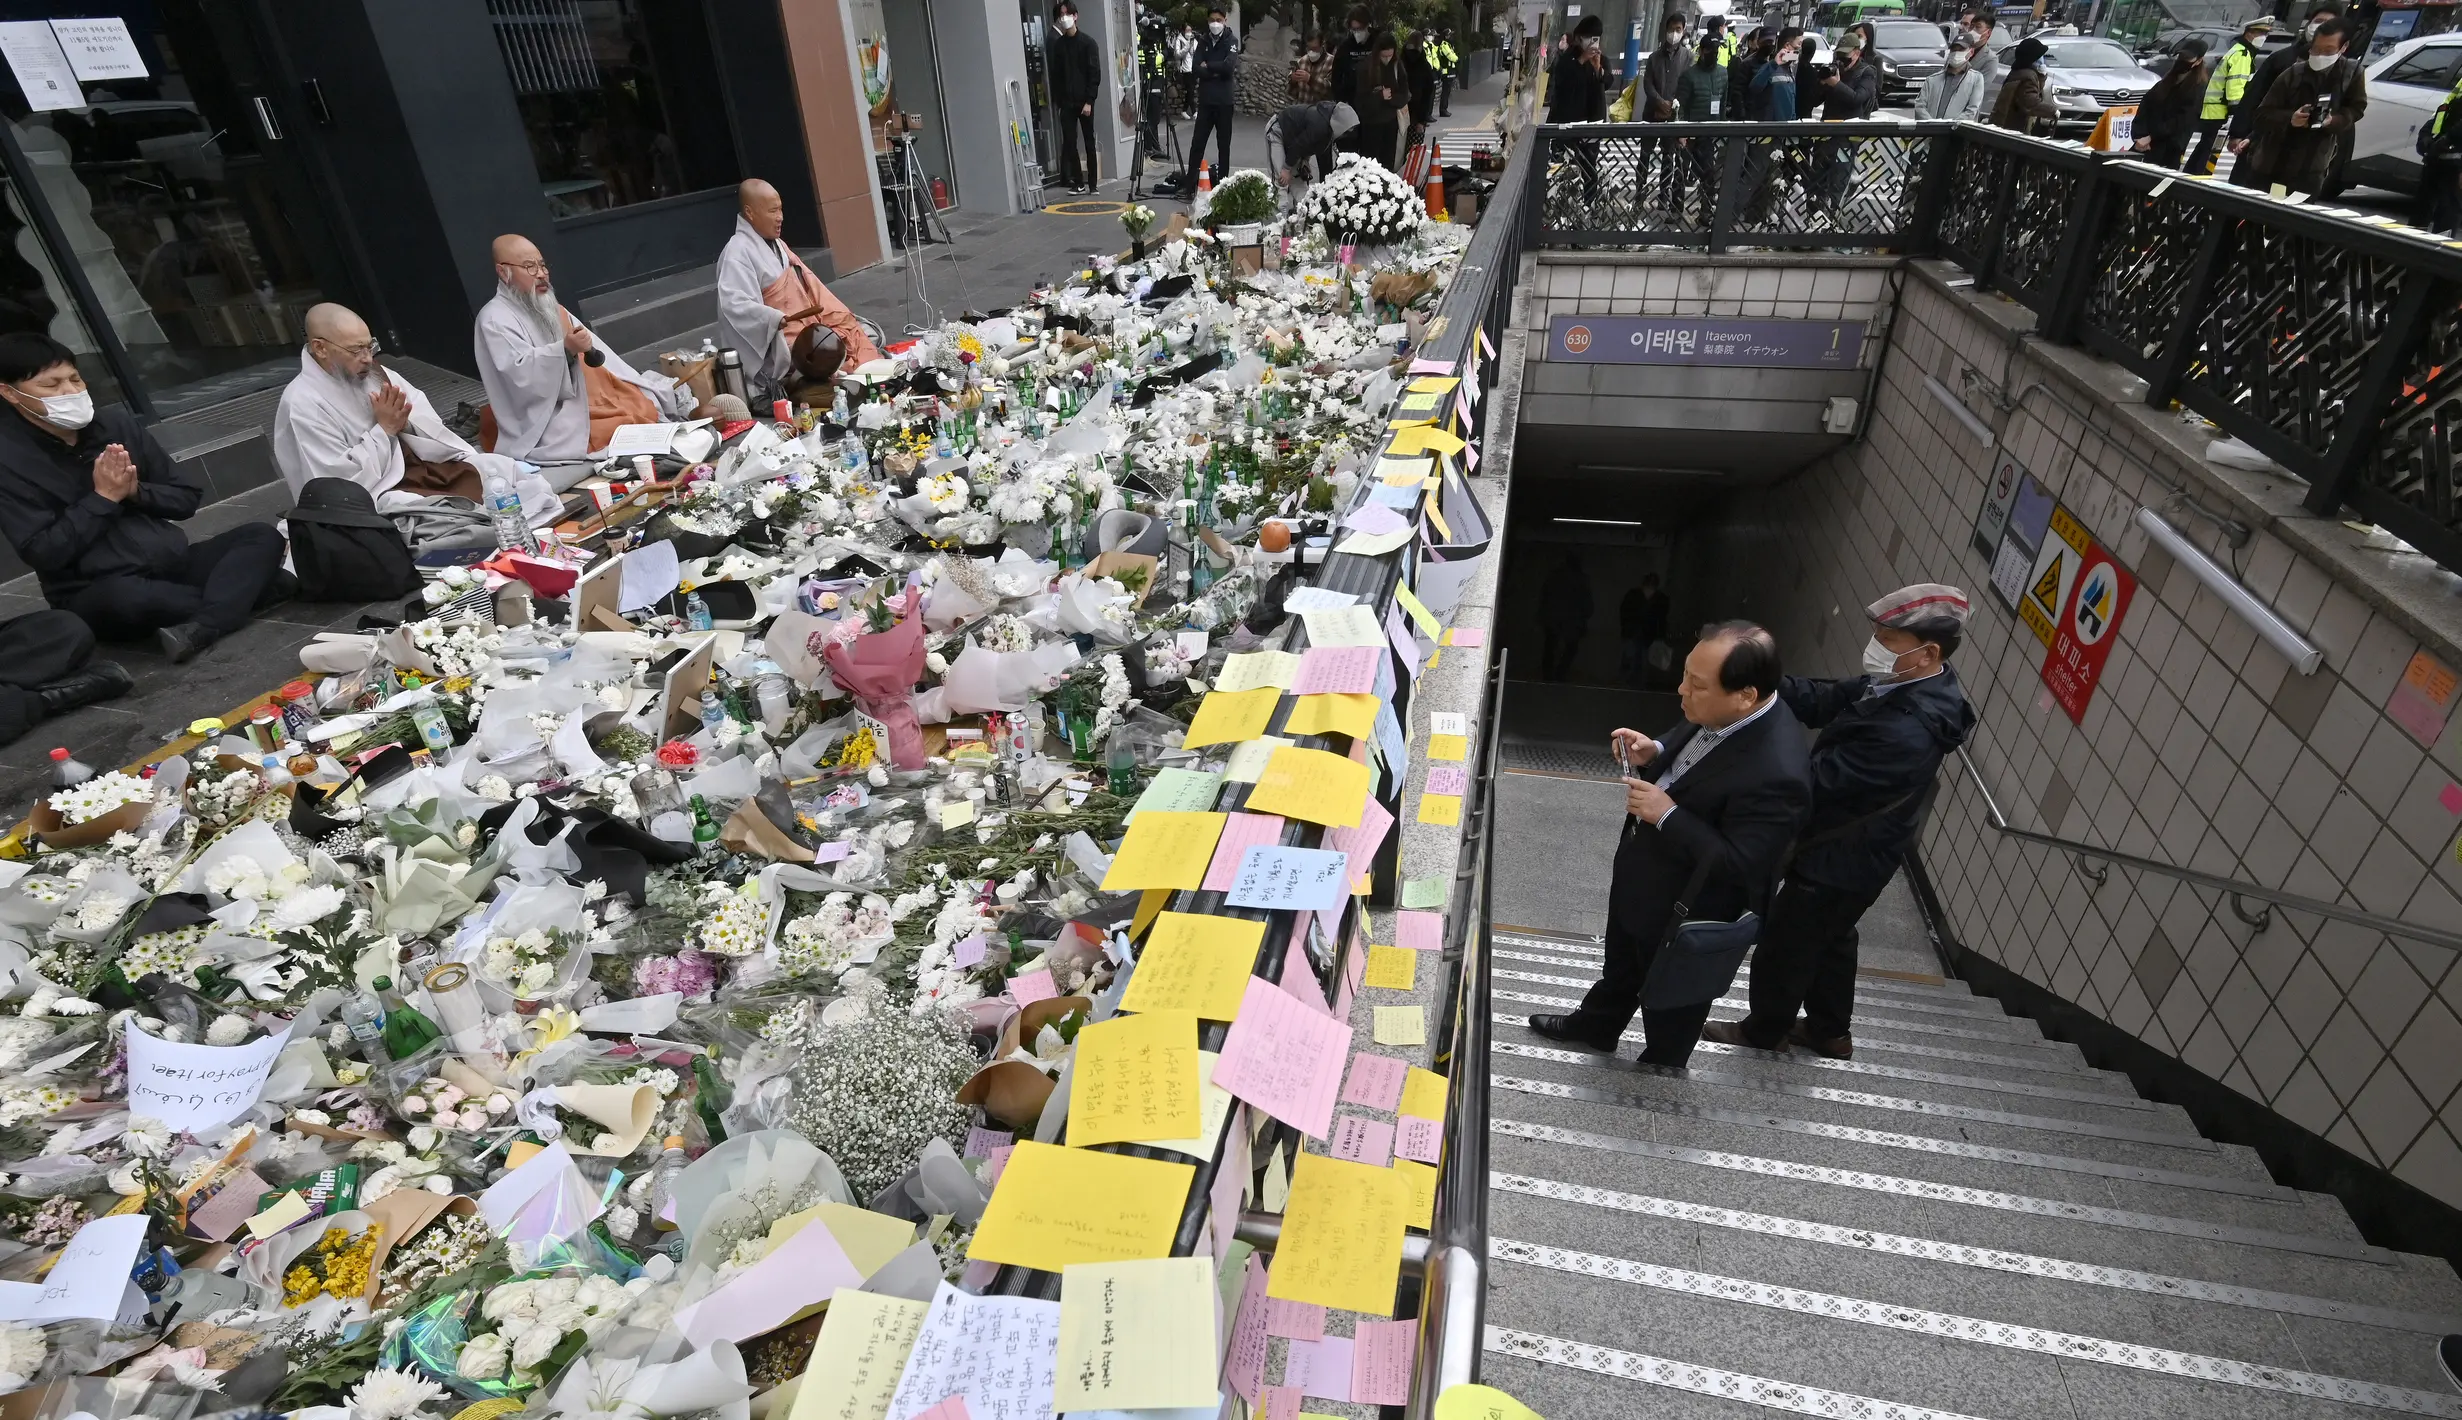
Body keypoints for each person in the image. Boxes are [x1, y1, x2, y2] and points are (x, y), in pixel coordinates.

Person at [1703, 586, 1976, 1060]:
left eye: (1887, 638)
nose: (1874, 645)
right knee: (1831, 934)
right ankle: (1830, 1032)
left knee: (1789, 940)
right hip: (1858, 848)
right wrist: (1762, 678)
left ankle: (1764, 1031)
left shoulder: (1908, 730)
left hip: (1844, 857)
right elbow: (1825, 699)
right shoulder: (1903, 683)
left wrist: (1743, 752)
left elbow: (1814, 783)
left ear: (1928, 651)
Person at [1527, 623, 1814, 1066]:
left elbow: (1743, 865)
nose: (1681, 690)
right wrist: (1656, 750)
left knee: (1673, 1003)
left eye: (1697, 685)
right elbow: (1698, 741)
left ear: (1746, 695)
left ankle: (1662, 1066)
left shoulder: (1779, 771)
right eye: (1685, 675)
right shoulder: (1722, 710)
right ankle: (1597, 1026)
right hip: (1645, 874)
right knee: (1621, 964)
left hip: (1691, 906)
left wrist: (1668, 815)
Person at [0, 333, 290, 663]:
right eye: (51, 386)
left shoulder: (115, 425)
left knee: (260, 535)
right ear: (10, 392)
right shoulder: (9, 460)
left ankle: (208, 622)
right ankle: (242, 595)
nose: (70, 392)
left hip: (172, 565)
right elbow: (44, 551)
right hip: (99, 589)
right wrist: (104, 498)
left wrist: (136, 491)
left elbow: (186, 498)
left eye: (75, 379)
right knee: (133, 598)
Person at [280, 304, 557, 534]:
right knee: (418, 513)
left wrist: (404, 422)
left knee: (497, 468)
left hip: (420, 466)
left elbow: (427, 421)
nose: (367, 359)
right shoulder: (304, 404)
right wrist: (384, 430)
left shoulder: (377, 374)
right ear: (320, 348)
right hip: (378, 490)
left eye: (370, 347)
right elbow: (337, 485)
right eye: (356, 351)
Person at [474, 236, 697, 466]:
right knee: (610, 428)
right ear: (503, 272)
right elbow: (518, 378)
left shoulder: (550, 306)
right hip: (546, 413)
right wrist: (564, 349)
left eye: (542, 265)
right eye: (529, 267)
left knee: (640, 404)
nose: (541, 274)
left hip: (584, 395)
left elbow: (600, 359)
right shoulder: (494, 319)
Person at [716, 179, 883, 410]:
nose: (780, 217)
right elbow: (734, 305)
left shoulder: (779, 245)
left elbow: (808, 286)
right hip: (783, 343)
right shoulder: (737, 252)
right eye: (773, 211)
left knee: (863, 331)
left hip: (807, 330)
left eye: (781, 209)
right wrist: (772, 318)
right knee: (827, 355)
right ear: (749, 212)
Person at [2243, 18, 2365, 196]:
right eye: (2316, 49)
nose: (2320, 55)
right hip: (2272, 163)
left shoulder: (2351, 74)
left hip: (2311, 168)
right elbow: (2261, 115)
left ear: (2343, 47)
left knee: (2293, 220)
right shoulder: (2293, 73)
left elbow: (2356, 109)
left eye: (2328, 50)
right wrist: (2290, 118)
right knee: (2259, 216)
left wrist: (2332, 120)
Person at [2187, 17, 2270, 175]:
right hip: (2221, 110)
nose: (2263, 37)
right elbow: (2235, 87)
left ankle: (2191, 176)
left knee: (2205, 147)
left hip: (2215, 108)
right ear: (2248, 34)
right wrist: (2235, 114)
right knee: (2209, 150)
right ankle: (2197, 181)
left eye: (2265, 33)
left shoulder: (2239, 51)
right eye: (2259, 32)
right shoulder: (2242, 55)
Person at [1049, 3, 1104, 194]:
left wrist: (1089, 100)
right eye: (1061, 15)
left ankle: (1093, 184)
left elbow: (1094, 73)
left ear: (1075, 16)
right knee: (1070, 142)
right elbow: (1056, 75)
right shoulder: (1059, 45)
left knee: (1089, 141)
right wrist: (1059, 101)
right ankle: (1078, 182)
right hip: (1067, 102)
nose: (1064, 18)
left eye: (1067, 14)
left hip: (1084, 101)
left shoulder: (1088, 43)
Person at [2131, 38, 2207, 169]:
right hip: (2145, 143)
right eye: (2181, 56)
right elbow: (2146, 104)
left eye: (2187, 58)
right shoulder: (2167, 80)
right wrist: (2140, 135)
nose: (2182, 61)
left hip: (2168, 148)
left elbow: (2183, 119)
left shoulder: (2197, 87)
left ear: (2198, 61)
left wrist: (2152, 136)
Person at [1188, 6, 1238, 182]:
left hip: (1224, 102)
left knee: (1223, 146)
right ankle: (1190, 183)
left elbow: (1229, 67)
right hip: (1206, 101)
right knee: (1197, 144)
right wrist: (1216, 69)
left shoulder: (1231, 41)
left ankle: (1223, 184)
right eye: (1211, 20)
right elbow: (1195, 67)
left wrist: (1208, 65)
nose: (1214, 23)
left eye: (1218, 20)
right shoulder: (1203, 41)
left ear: (1225, 20)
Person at [1351, 31, 1414, 170]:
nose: (1387, 59)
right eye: (1383, 56)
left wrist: (1391, 99)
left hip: (1391, 123)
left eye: (1390, 55)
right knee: (1370, 167)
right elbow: (1360, 102)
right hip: (1370, 124)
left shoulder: (1397, 66)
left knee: (1388, 165)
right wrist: (1380, 96)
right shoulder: (1365, 68)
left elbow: (1404, 94)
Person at [1274, 99, 1360, 187]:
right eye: (1346, 130)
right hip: (1279, 131)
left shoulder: (1329, 129)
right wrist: (1286, 168)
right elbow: (1299, 144)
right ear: (1340, 124)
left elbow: (1324, 161)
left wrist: (1325, 186)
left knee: (1299, 186)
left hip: (1293, 143)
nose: (1345, 134)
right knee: (1281, 180)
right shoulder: (1320, 126)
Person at [1540, 553, 1592, 682]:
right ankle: (1559, 674)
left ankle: (1548, 676)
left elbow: (1545, 596)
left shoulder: (1554, 577)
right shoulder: (1580, 579)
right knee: (1570, 648)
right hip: (1572, 620)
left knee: (1551, 647)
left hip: (1554, 618)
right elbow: (1586, 602)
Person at [1990, 36, 2058, 134]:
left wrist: (2041, 76)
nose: (2042, 59)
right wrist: (2053, 111)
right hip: (2013, 127)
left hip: (2004, 122)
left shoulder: (2019, 72)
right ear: (2033, 57)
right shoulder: (2028, 76)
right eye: (2040, 56)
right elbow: (2031, 103)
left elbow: (2034, 91)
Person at [1619, 572, 1671, 686]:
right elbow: (1625, 613)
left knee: (1643, 662)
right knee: (1631, 659)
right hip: (1634, 633)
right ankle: (1629, 684)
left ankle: (1637, 685)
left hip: (1647, 634)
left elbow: (1661, 618)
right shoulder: (1635, 595)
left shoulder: (1659, 598)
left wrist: (1660, 635)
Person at [1917, 37, 1987, 121]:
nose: (1956, 53)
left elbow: (1972, 110)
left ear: (1971, 52)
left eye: (1961, 50)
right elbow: (1919, 106)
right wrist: (1931, 123)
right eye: (1954, 50)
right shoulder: (1932, 79)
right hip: (1932, 131)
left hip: (1958, 131)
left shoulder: (1976, 79)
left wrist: (1950, 126)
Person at [1329, 7, 1375, 112]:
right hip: (1351, 103)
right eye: (1354, 29)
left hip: (1375, 103)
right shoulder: (1345, 47)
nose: (1357, 33)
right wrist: (1340, 101)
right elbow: (1336, 76)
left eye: (1360, 28)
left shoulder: (1377, 43)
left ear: (1368, 25)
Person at [1288, 32, 1333, 105]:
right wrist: (1293, 81)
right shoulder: (1302, 61)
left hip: (1321, 112)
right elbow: (1290, 93)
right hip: (1302, 110)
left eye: (1315, 48)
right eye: (1309, 48)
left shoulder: (1332, 62)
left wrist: (1310, 79)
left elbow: (1330, 91)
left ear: (1322, 45)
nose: (1311, 52)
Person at [1428, 27, 1459, 116]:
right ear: (1446, 36)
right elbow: (1452, 57)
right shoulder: (1444, 45)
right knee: (1445, 92)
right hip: (1446, 72)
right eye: (1450, 35)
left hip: (1449, 71)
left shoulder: (1448, 45)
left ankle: (1444, 109)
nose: (1452, 37)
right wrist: (1457, 59)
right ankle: (1443, 110)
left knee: (1447, 92)